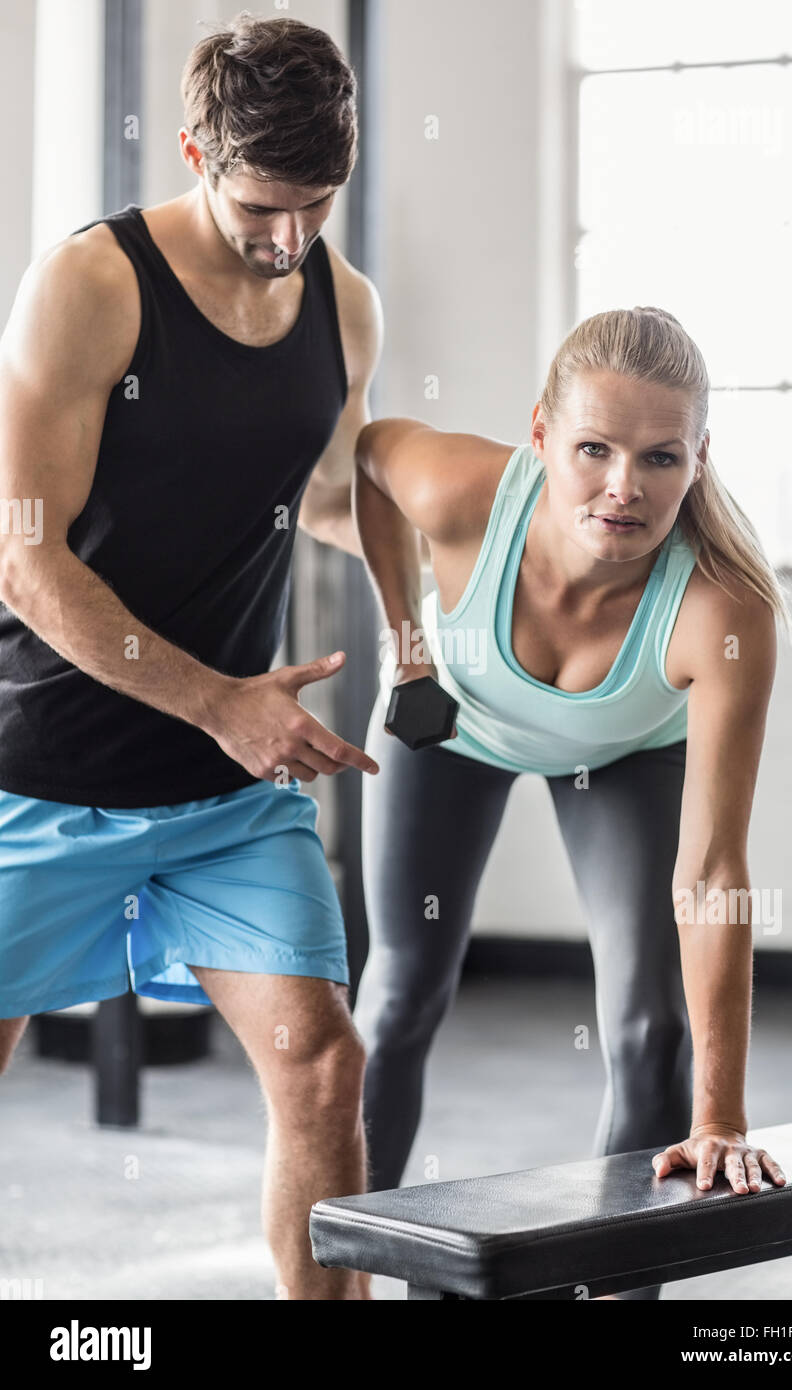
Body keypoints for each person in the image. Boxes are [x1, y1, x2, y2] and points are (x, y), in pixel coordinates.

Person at [0, 14, 383, 1301]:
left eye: (315, 205)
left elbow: (332, 492)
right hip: (38, 773)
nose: (287, 241)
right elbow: (24, 559)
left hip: (224, 799)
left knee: (322, 1062)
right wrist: (220, 700)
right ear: (191, 153)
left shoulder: (346, 305)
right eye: (261, 208)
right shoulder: (88, 284)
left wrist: (472, 551)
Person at [352, 306, 792, 1300]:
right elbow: (371, 456)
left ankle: (620, 1290)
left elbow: (714, 871)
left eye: (658, 457)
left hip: (623, 752)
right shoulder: (465, 492)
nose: (622, 487)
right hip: (453, 728)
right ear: (540, 436)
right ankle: (348, 1283)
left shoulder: (722, 609)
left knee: (648, 1030)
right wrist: (405, 642)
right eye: (592, 448)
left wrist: (718, 1113)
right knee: (398, 995)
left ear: (698, 459)